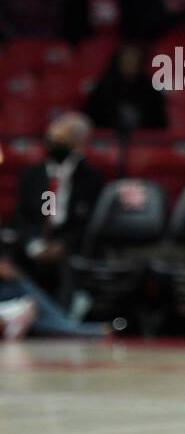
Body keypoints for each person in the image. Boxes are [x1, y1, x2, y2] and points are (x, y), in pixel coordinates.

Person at [15, 113, 103, 300]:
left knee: (67, 266)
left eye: (63, 139)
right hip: (34, 245)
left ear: (79, 143)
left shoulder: (90, 178)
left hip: (71, 246)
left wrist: (62, 246)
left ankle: (65, 320)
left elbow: (90, 222)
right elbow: (22, 217)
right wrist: (34, 246)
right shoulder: (31, 175)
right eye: (53, 139)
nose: (56, 144)